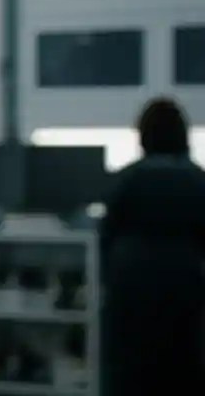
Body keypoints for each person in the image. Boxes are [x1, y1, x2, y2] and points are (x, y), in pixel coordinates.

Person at [100, 97, 205, 396]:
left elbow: (104, 240)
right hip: (184, 294)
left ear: (143, 136)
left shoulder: (125, 181)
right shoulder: (198, 180)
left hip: (128, 294)